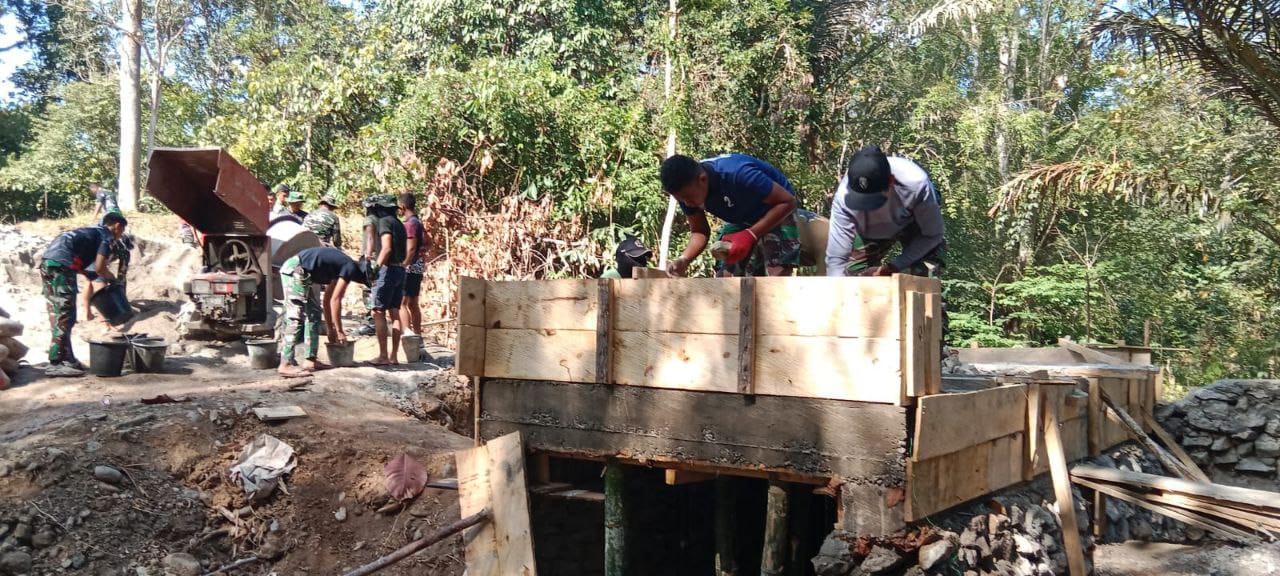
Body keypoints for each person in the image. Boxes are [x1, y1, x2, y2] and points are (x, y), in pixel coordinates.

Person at [659, 153, 800, 277]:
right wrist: (684, 259)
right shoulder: (686, 193)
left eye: (688, 198)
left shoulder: (738, 174)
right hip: (743, 220)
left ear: (702, 179)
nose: (687, 204)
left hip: (777, 210)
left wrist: (751, 234)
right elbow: (699, 231)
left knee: (775, 275)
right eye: (681, 200)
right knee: (725, 277)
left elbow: (788, 202)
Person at [825, 145, 945, 278]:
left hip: (913, 219)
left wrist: (894, 266)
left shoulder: (916, 185)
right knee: (854, 277)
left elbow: (932, 235)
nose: (869, 207)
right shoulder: (842, 199)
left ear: (891, 182)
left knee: (926, 275)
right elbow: (836, 260)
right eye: (861, 202)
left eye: (873, 201)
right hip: (870, 230)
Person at [39, 213, 129, 377]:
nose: (120, 234)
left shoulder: (92, 232)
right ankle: (56, 363)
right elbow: (101, 268)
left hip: (48, 263)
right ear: (117, 226)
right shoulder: (106, 237)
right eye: (122, 230)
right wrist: (113, 279)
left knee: (58, 314)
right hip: (61, 267)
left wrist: (92, 276)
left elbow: (84, 264)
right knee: (66, 315)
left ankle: (67, 358)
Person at [277, 246, 371, 377]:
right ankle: (285, 363)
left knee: (314, 313)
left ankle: (310, 360)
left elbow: (327, 300)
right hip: (295, 270)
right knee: (296, 316)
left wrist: (330, 329)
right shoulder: (350, 268)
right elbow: (335, 300)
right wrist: (339, 331)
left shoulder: (342, 267)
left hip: (301, 273)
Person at [366, 194, 407, 365]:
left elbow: (387, 248)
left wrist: (376, 268)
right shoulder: (400, 224)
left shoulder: (385, 222)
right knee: (395, 312)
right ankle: (394, 356)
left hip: (388, 270)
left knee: (378, 311)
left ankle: (383, 355)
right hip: (400, 270)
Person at [398, 193, 426, 336]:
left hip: (409, 267)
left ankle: (407, 334)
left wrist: (404, 264)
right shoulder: (418, 222)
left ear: (402, 206)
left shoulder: (409, 224)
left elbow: (411, 248)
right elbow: (429, 242)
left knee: (402, 303)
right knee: (413, 303)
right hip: (419, 266)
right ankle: (418, 334)